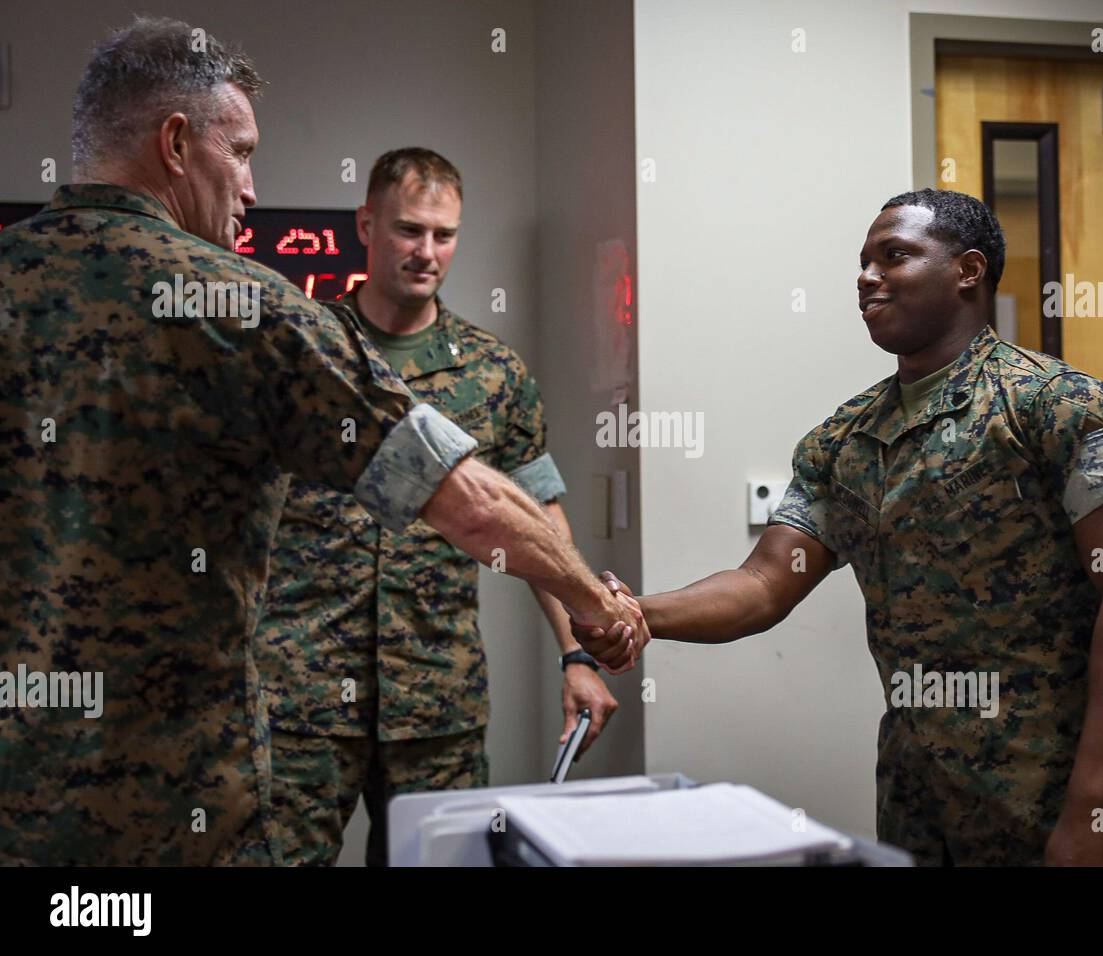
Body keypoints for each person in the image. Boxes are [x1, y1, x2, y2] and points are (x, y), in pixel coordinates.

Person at [0, 16, 642, 866]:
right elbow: (469, 499)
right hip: (192, 794)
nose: (253, 188)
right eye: (241, 152)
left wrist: (571, 647)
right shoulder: (249, 310)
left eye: (444, 234)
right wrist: (600, 609)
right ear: (177, 142)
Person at [580, 189, 1103, 866]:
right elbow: (764, 581)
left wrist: (1089, 802)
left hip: (1049, 798)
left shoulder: (1058, 406)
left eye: (894, 256)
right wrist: (639, 614)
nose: (866, 277)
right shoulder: (845, 439)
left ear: (968, 271)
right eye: (862, 262)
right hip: (919, 801)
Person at [258, 148, 618, 866]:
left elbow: (540, 516)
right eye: (409, 230)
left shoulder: (494, 373)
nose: (427, 253)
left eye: (444, 235)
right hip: (300, 696)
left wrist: (577, 654)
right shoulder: (307, 353)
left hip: (434, 695)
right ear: (367, 223)